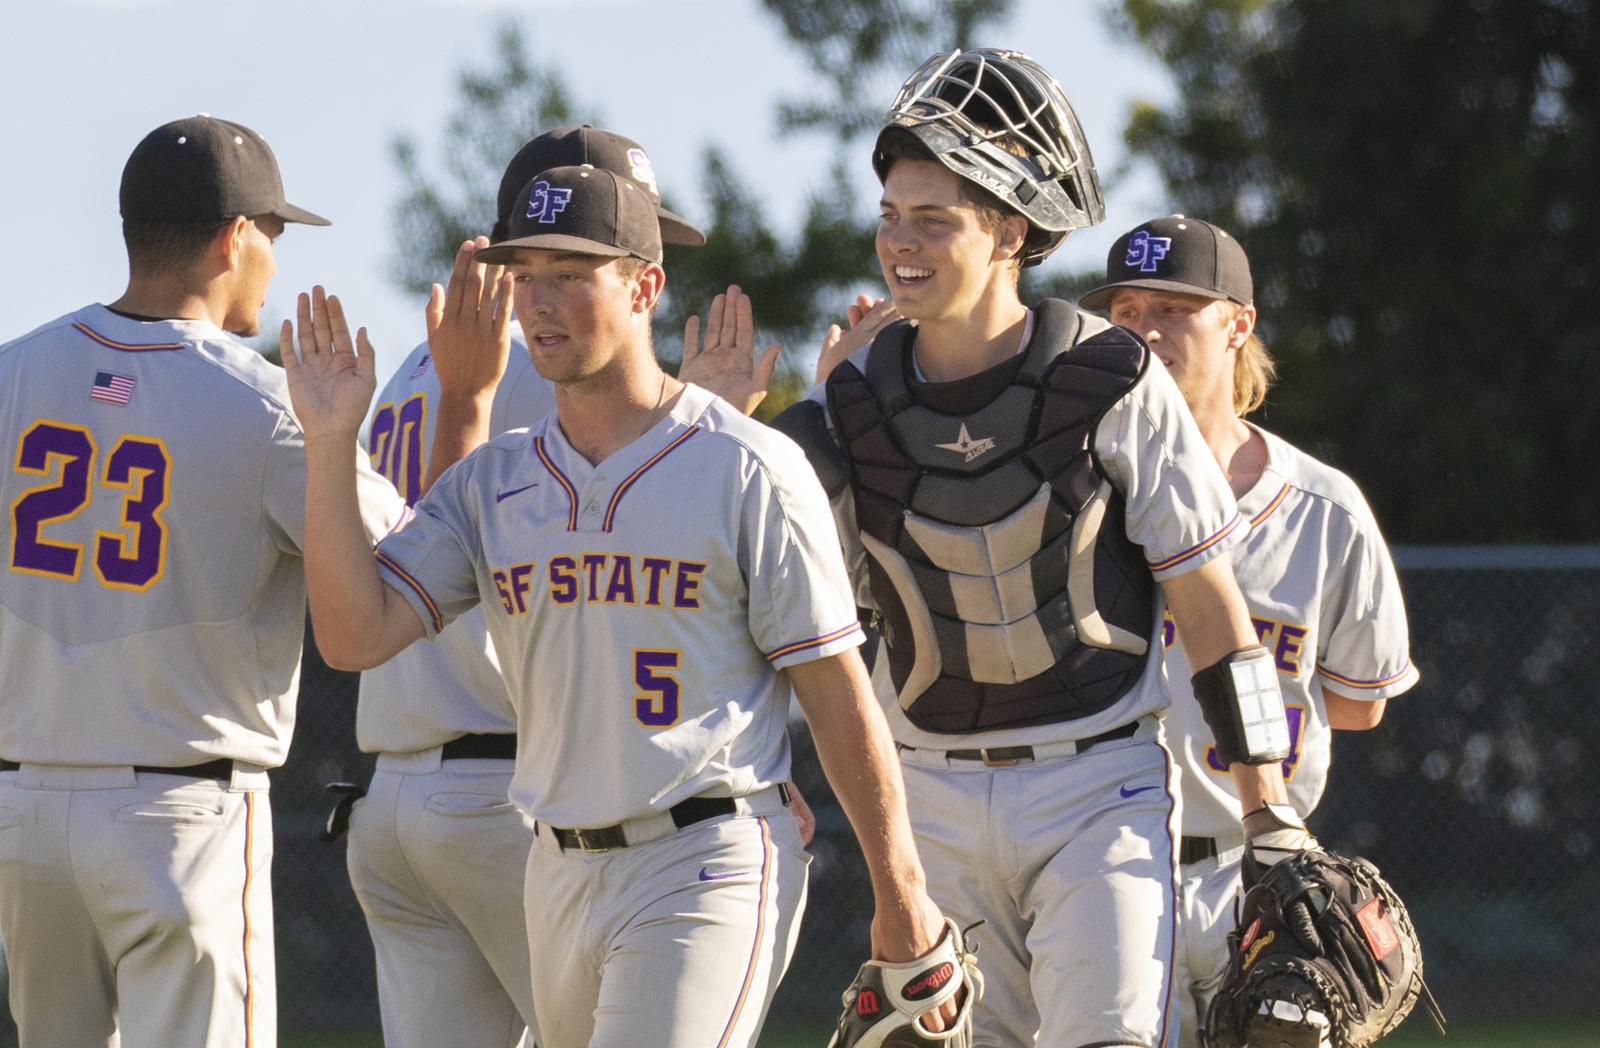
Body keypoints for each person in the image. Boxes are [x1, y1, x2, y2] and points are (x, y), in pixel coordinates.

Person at [281, 162, 956, 1048]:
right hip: (553, 869)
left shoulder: (745, 464)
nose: (540, 303)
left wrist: (901, 892)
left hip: (705, 855)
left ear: (645, 285)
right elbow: (352, 635)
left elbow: (836, 692)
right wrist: (331, 443)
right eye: (527, 277)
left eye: (571, 273)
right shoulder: (494, 481)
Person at [778, 48, 1312, 1047]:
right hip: (927, 784)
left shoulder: (1107, 378)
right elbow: (792, 625)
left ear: (1009, 233)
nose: (901, 241)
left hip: (1096, 778)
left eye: (933, 219)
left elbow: (1208, 605)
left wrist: (1267, 813)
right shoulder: (842, 410)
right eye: (891, 214)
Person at [345, 124, 810, 1048]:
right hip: (518, 789)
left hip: (392, 784)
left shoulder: (412, 366)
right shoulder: (536, 374)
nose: (648, 272)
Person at [0, 115, 400, 1046]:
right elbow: (407, 562)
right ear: (233, 238)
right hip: (182, 812)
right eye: (274, 232)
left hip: (22, 808)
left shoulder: (12, 375)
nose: (274, 255)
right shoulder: (263, 406)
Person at [1079, 214, 1420, 1047]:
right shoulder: (1076, 496)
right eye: (1126, 311)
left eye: (1174, 309)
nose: (1147, 331)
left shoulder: (1324, 509)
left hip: (1259, 873)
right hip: (1102, 862)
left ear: (1238, 323)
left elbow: (1359, 704)